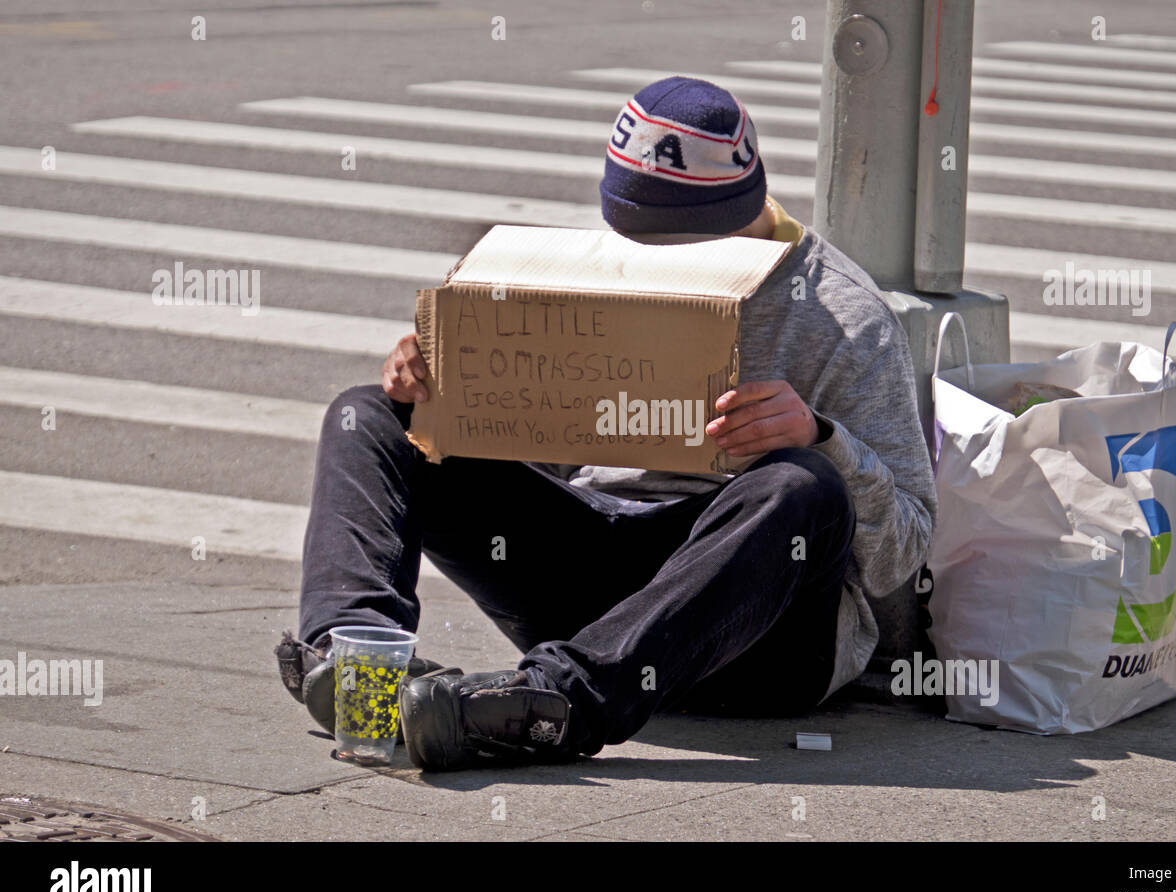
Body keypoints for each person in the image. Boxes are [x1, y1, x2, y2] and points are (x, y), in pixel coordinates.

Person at [275, 75, 937, 771]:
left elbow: (905, 552)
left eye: (678, 250)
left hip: (754, 634)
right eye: (637, 243)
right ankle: (357, 666)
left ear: (740, 217)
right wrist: (448, 392)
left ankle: (550, 706)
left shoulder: (843, 317)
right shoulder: (598, 271)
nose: (654, 267)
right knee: (370, 415)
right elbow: (541, 456)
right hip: (593, 590)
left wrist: (824, 440)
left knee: (801, 487)